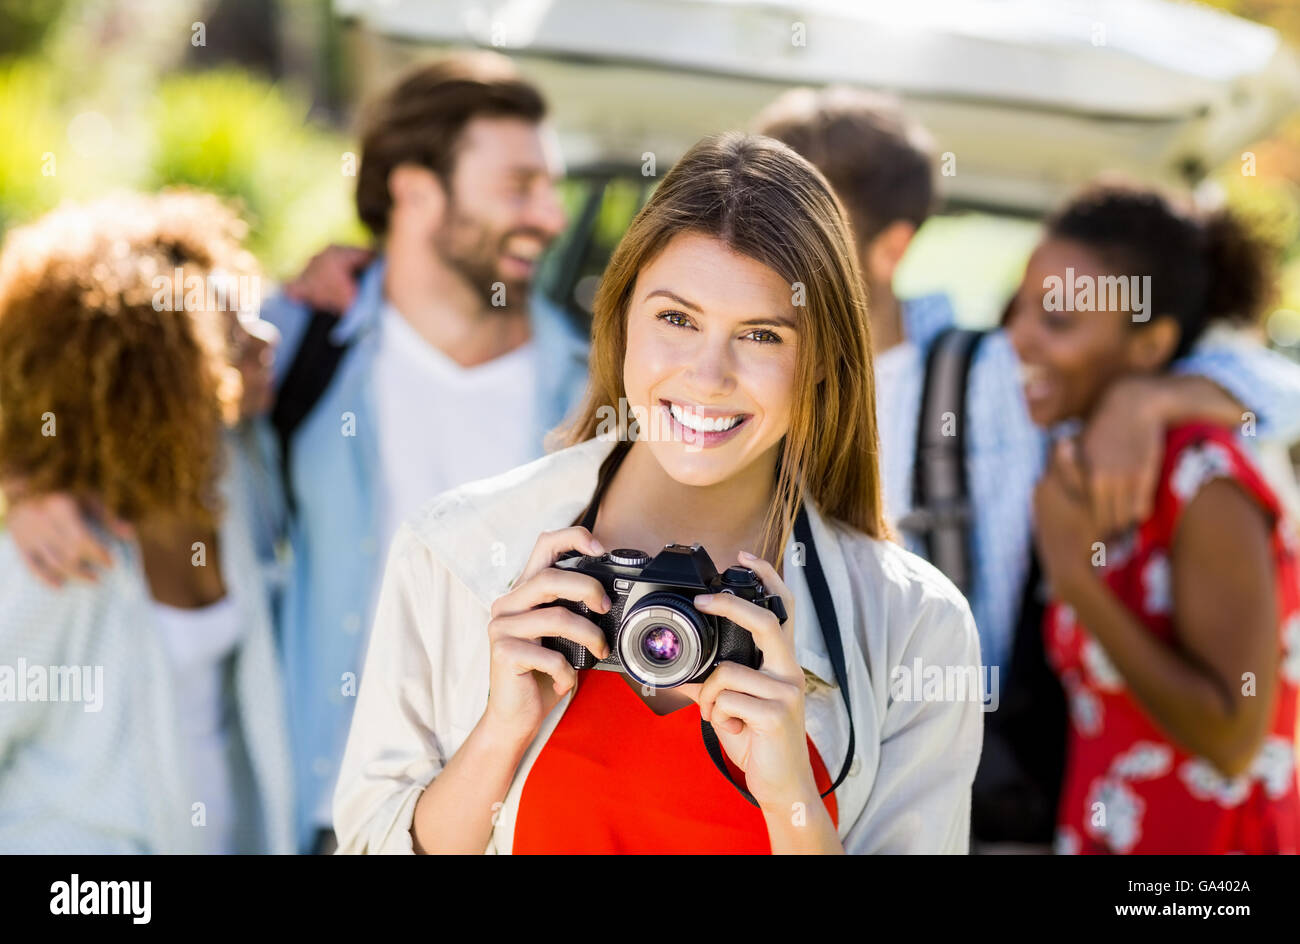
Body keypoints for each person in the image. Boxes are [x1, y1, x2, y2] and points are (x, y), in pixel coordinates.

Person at [1, 51, 589, 854]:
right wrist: (23, 476)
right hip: (327, 814)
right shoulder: (300, 347)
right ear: (417, 189)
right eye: (520, 185)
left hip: (521, 813)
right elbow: (92, 374)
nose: (553, 216)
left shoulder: (594, 388)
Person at [333, 131, 984, 855]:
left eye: (762, 335)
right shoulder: (452, 551)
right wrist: (499, 736)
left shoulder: (918, 627)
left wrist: (791, 799)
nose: (708, 377)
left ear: (825, 361)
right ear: (620, 320)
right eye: (676, 319)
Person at [752, 86, 1300, 848]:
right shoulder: (728, 381)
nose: (759, 250)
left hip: (973, 804)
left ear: (889, 250)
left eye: (797, 230)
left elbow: (1274, 388)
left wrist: (1151, 398)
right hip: (775, 787)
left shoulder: (992, 378)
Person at [1007, 182, 1300, 854]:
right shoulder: (1077, 461)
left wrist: (1080, 584)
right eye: (1020, 308)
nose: (1017, 338)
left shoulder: (1204, 476)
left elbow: (1232, 738)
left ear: (1149, 346)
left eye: (1056, 321)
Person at [0, 191, 295, 853]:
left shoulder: (233, 462)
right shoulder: (50, 550)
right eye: (233, 333)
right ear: (158, 374)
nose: (266, 338)